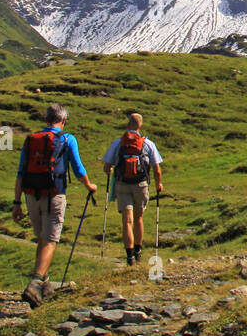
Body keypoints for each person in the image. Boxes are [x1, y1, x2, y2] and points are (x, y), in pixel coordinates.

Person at [11, 103, 99, 307]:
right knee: (51, 240)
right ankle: (35, 283)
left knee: (42, 238)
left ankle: (44, 283)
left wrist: (17, 203)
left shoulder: (31, 139)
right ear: (64, 120)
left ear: (46, 120)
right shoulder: (68, 139)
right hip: (54, 195)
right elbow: (77, 168)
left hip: (31, 195)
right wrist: (89, 185)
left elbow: (20, 173)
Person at [103, 112, 164, 266]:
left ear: (128, 124)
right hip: (140, 185)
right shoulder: (148, 144)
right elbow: (156, 168)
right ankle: (138, 251)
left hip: (122, 185)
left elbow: (106, 166)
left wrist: (110, 170)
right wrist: (158, 184)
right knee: (138, 218)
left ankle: (129, 256)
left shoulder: (118, 143)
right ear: (141, 126)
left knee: (127, 221)